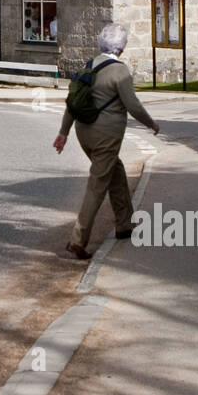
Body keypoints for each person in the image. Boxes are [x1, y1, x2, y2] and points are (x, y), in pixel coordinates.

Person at [53, 23, 159, 259]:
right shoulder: (120, 71)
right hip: (106, 135)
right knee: (97, 185)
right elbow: (133, 105)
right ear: (122, 47)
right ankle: (77, 241)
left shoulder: (88, 65)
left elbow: (73, 102)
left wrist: (64, 132)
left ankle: (125, 224)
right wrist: (152, 124)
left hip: (84, 132)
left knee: (115, 170)